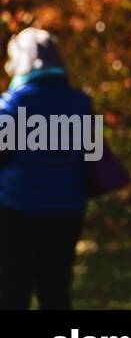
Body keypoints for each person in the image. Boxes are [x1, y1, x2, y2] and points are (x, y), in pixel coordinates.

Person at [0, 28, 93, 309]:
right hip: (66, 212)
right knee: (56, 292)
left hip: (16, 211)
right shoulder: (81, 104)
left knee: (12, 292)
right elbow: (90, 156)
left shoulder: (13, 104)